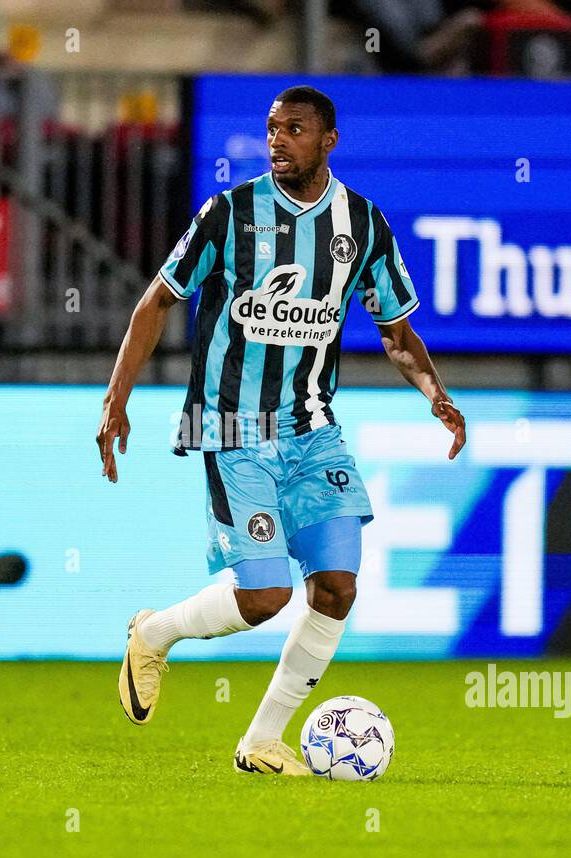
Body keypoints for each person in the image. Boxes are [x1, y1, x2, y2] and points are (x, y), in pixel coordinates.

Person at [96, 86, 466, 775]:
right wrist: (117, 398)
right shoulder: (228, 214)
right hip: (233, 425)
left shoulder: (363, 223)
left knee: (336, 588)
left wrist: (433, 392)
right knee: (265, 596)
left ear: (329, 140)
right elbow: (156, 302)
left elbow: (396, 330)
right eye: (271, 129)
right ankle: (152, 634)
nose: (277, 140)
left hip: (313, 429)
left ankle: (262, 740)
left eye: (294, 129)